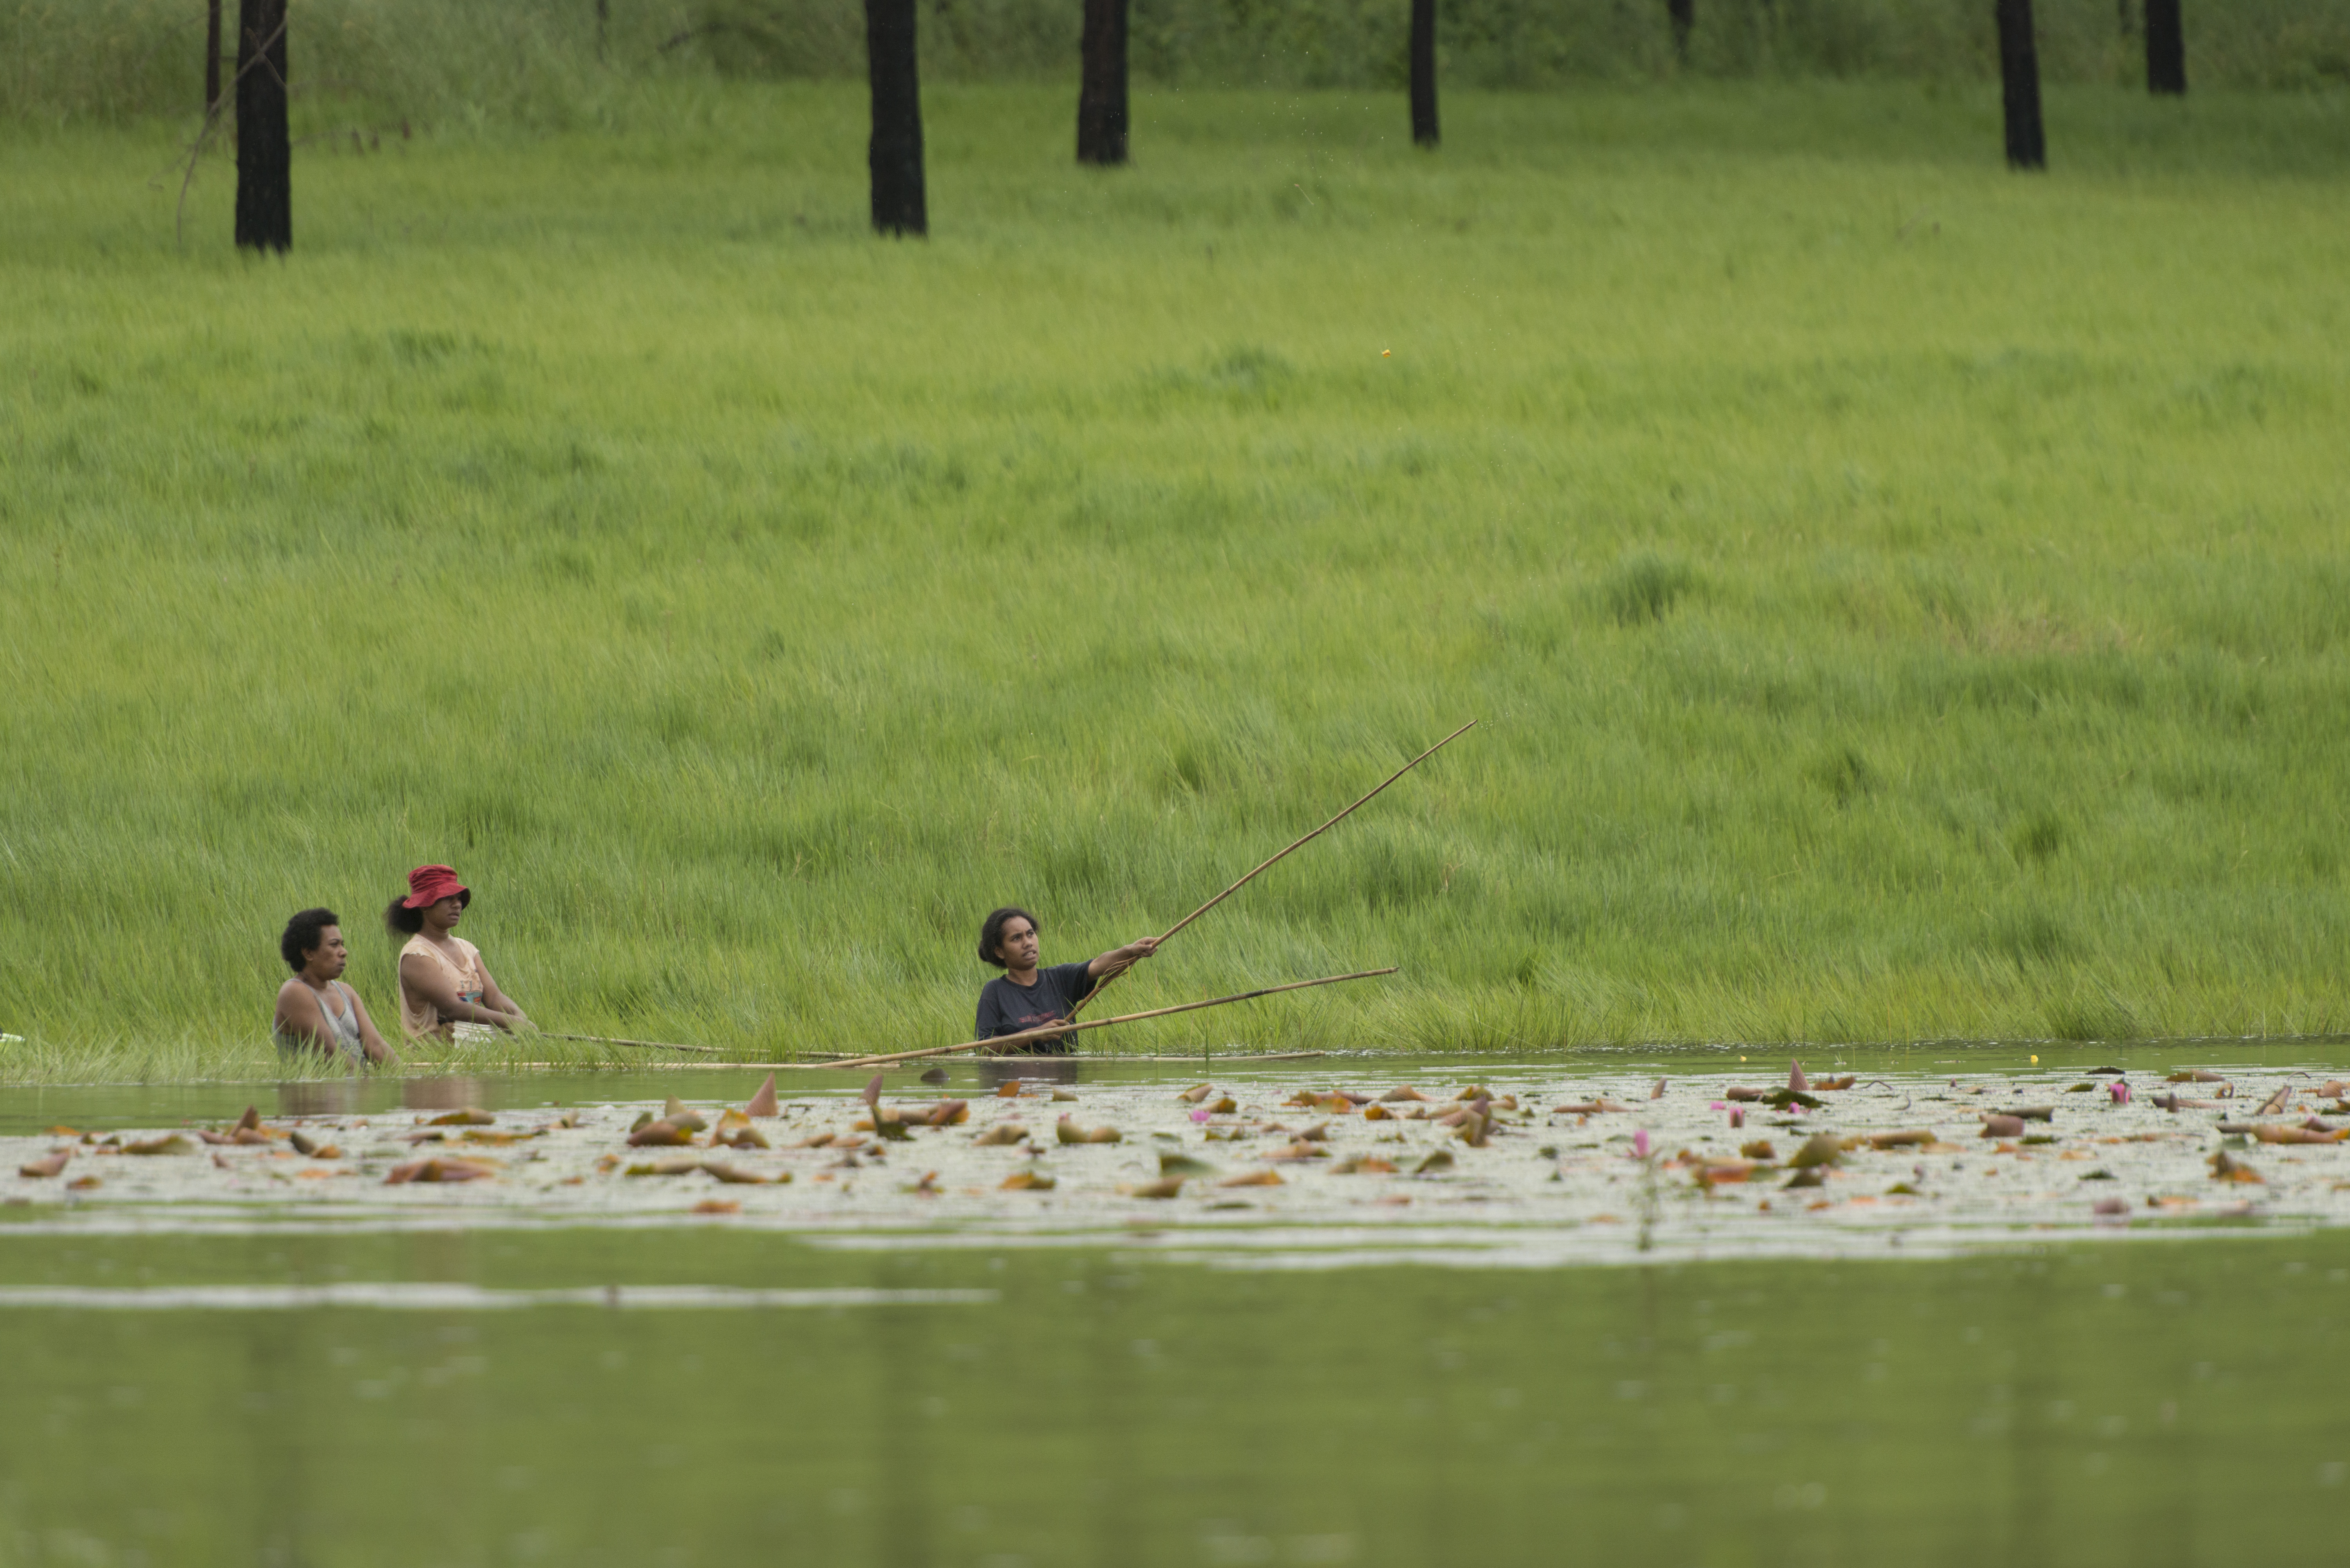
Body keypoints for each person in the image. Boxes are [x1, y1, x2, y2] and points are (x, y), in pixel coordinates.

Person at [974, 905, 1158, 1054]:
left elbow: (1099, 964)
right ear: (999, 951)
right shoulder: (995, 991)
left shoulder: (1061, 978)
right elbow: (984, 1048)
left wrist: (1130, 951)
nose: (1028, 942)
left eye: (1031, 934)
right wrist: (1037, 1033)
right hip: (1019, 1090)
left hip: (1065, 1085)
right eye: (1016, 938)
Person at [384, 865, 533, 1044]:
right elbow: (453, 1008)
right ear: (424, 905)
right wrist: (511, 1022)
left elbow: (494, 997)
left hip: (472, 1054)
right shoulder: (418, 955)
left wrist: (520, 1017)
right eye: (447, 898)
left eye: (458, 898)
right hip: (433, 1063)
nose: (457, 905)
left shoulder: (467, 948)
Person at [273, 908, 397, 1066]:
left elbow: (376, 1046)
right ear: (309, 953)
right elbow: (331, 1055)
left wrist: (406, 1081)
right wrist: (366, 1087)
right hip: (315, 1091)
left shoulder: (347, 992)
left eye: (342, 945)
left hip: (353, 1086)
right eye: (334, 945)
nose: (344, 952)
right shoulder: (294, 993)